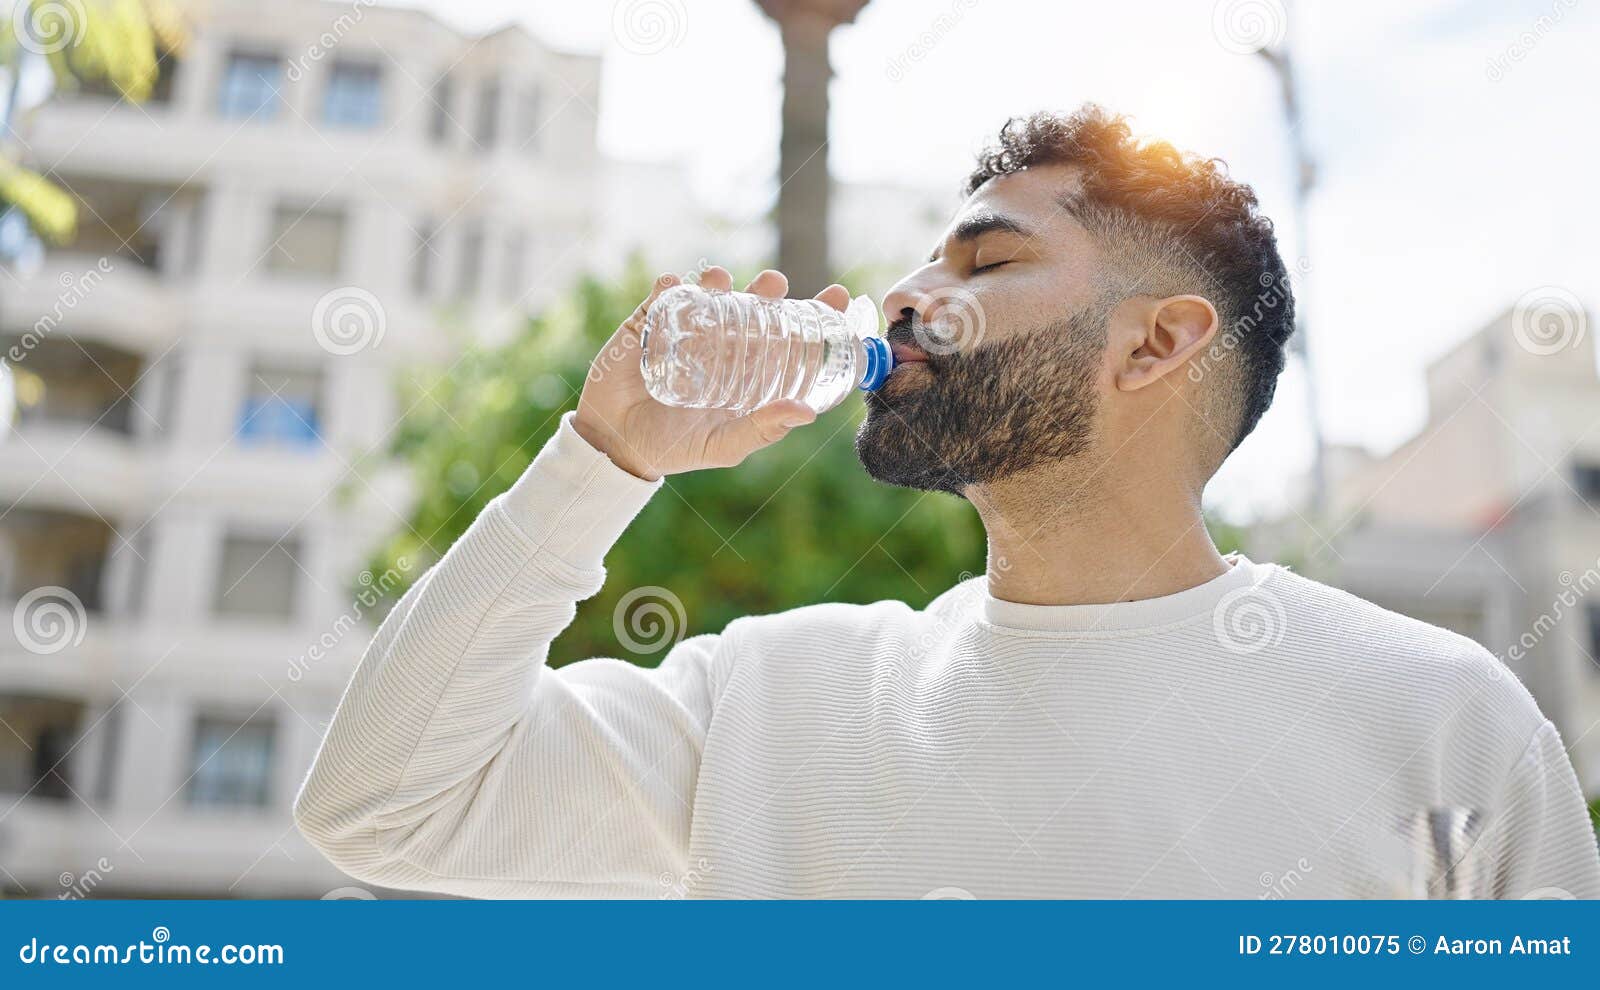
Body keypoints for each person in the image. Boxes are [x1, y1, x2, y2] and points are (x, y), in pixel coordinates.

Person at [295, 105, 1600, 899]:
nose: (907, 293)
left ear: (1153, 345)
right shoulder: (768, 701)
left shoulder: (1441, 722)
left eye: (985, 257)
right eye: (923, 255)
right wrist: (602, 454)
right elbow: (381, 803)